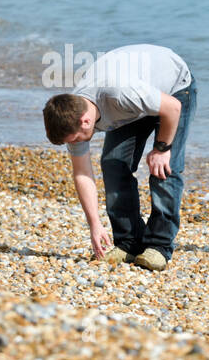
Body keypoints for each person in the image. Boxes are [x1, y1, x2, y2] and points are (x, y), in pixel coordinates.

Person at [42, 44, 197, 272]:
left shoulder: (118, 93)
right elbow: (82, 174)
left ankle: (159, 246)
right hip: (138, 100)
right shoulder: (72, 116)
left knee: (164, 167)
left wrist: (162, 149)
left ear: (85, 121)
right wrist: (95, 225)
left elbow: (172, 108)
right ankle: (129, 242)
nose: (75, 144)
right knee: (113, 164)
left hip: (174, 89)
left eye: (75, 139)